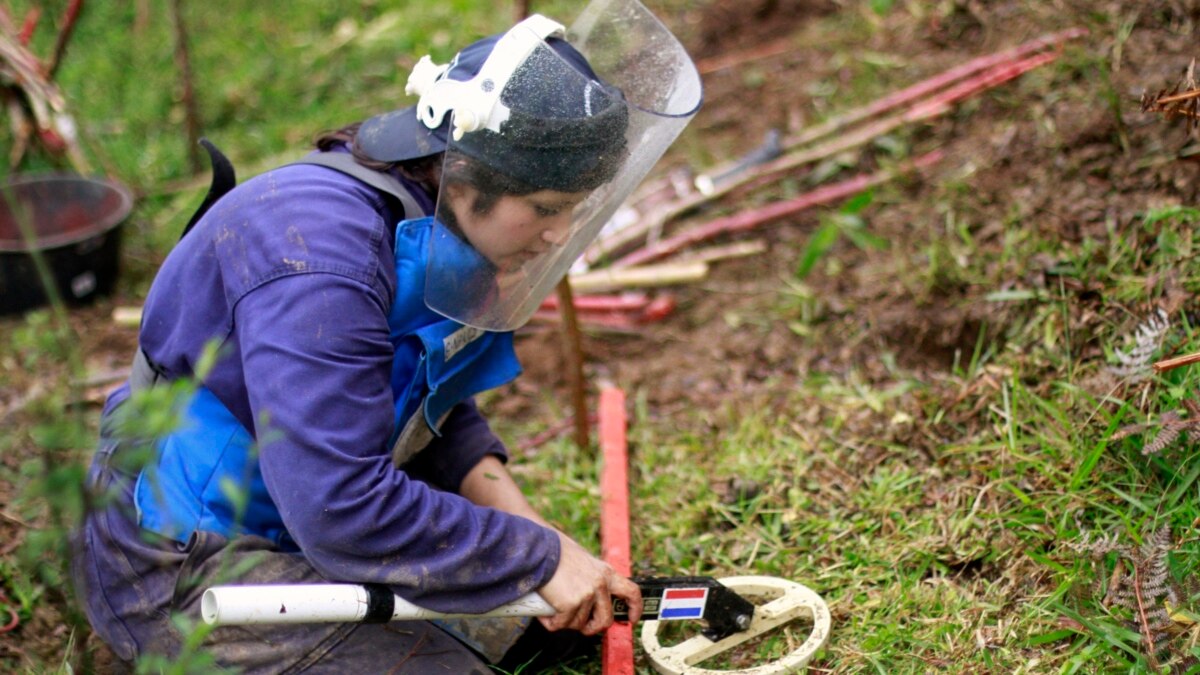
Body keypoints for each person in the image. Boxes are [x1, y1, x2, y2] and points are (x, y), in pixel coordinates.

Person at [71, 1, 701, 672]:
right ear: (466, 174)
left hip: (304, 527)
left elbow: (429, 407)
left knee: (535, 639)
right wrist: (533, 557)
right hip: (175, 555)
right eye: (545, 210)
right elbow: (337, 505)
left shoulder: (438, 231)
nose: (556, 235)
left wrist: (533, 531)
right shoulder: (318, 256)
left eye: (569, 213)